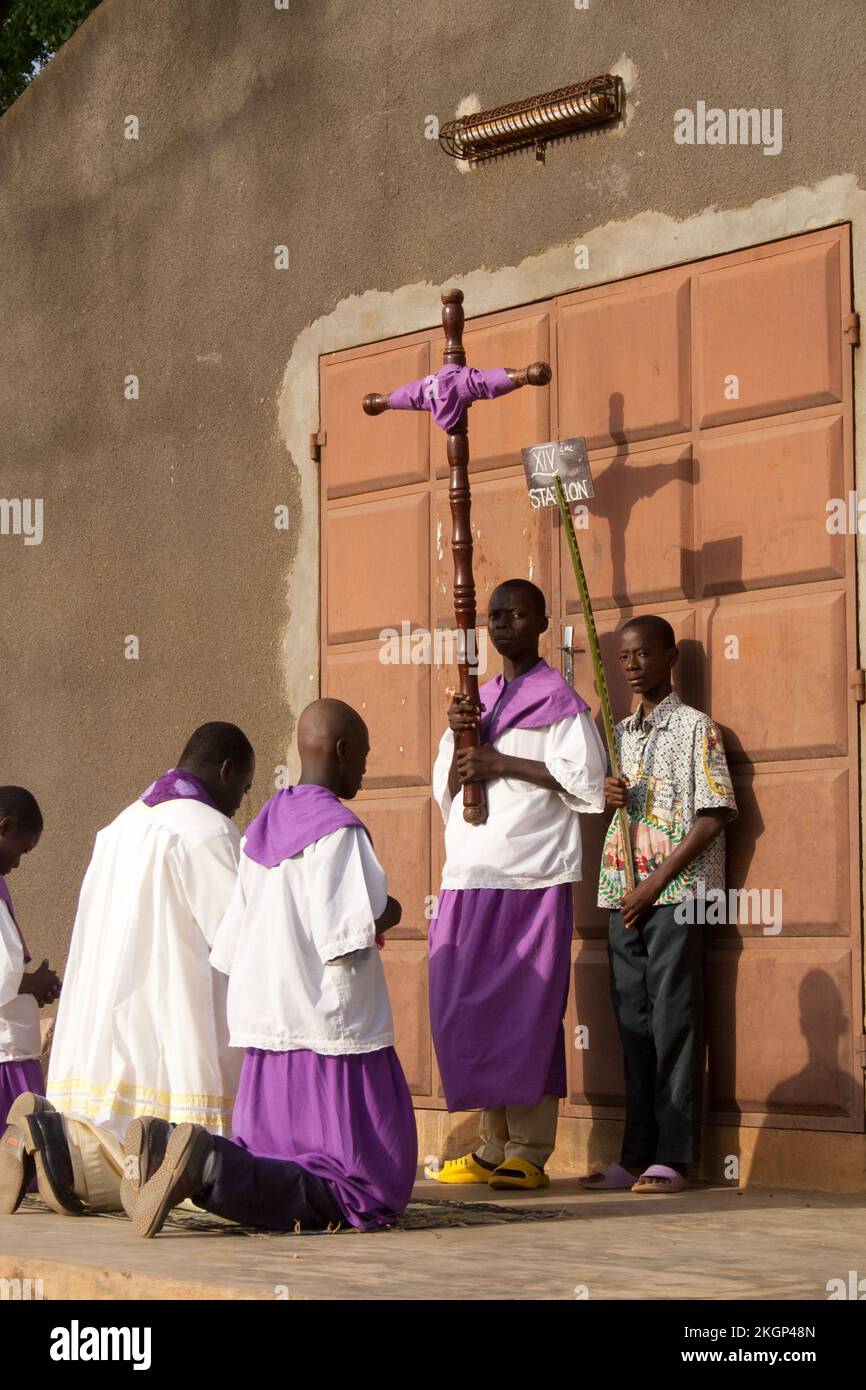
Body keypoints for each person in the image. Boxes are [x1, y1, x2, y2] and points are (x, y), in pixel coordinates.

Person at [122, 698, 417, 1239]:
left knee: (277, 1159)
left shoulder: (260, 830)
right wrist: (389, 910)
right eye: (366, 756)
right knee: (359, 1187)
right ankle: (206, 1163)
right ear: (342, 751)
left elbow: (231, 943)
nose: (368, 769)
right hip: (331, 1040)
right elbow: (345, 934)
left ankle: (176, 1148)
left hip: (267, 1035)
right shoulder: (338, 829)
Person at [0, 723, 254, 1219]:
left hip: (106, 1017)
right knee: (178, 1138)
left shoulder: (119, 827)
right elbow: (239, 936)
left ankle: (57, 1151)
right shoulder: (207, 830)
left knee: (111, 1131)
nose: (241, 803)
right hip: (175, 1012)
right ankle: (182, 1181)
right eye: (243, 788)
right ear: (225, 771)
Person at [426, 580, 607, 1191]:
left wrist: (499, 762)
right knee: (469, 1008)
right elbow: (444, 792)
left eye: (517, 613)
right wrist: (458, 743)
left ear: (541, 622)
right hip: (470, 876)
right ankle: (489, 1145)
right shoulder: (477, 701)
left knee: (526, 1013)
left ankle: (530, 1148)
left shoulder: (561, 703)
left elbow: (587, 783)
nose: (503, 623)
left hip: (532, 877)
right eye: (495, 615)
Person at [579, 615, 737, 1194]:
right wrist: (609, 795)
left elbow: (714, 815)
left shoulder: (698, 729)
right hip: (623, 894)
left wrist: (655, 884)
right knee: (633, 1024)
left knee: (674, 1019)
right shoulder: (618, 736)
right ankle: (634, 1153)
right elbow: (609, 807)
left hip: (675, 895)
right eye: (623, 657)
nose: (631, 664)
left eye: (643, 653)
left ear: (670, 657)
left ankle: (675, 1155)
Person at [0, 788, 61, 1132]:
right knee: (28, 1148)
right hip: (6, 1056)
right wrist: (32, 984)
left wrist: (31, 983)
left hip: (10, 1045)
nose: (19, 863)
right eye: (22, 850)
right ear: (5, 827)